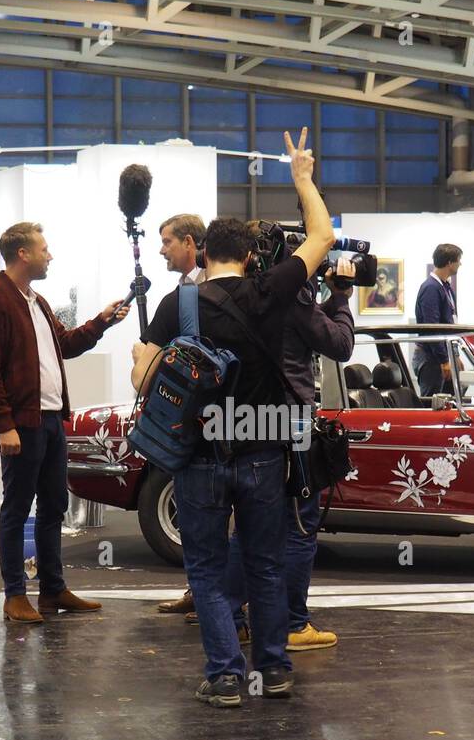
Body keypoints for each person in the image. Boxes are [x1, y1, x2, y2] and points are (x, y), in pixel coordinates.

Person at [131, 127, 334, 708]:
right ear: (248, 256)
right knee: (266, 563)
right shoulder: (272, 291)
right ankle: (273, 670)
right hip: (265, 450)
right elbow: (321, 234)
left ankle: (223, 675)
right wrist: (300, 176)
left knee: (205, 566)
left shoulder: (178, 304)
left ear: (203, 252)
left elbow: (144, 378)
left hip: (198, 454)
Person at [0, 221, 131, 625]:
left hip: (53, 420)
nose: (50, 255)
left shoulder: (36, 301)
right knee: (17, 508)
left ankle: (53, 589)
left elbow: (67, 343)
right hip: (21, 423)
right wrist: (3, 424)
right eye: (44, 249)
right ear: (23, 254)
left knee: (54, 504)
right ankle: (14, 594)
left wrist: (102, 321)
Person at [221, 255, 356, 653]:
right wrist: (342, 297)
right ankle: (293, 624)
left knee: (249, 524)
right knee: (300, 523)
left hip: (245, 419)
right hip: (291, 419)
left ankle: (232, 619)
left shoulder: (241, 296)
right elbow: (341, 345)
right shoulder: (293, 299)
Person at [154, 212, 207, 618]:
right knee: (192, 510)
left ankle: (220, 599)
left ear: (189, 242)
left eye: (168, 242)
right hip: (187, 416)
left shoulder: (210, 292)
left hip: (218, 418)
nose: (161, 250)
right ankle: (199, 590)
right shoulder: (180, 292)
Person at [411, 244, 462, 397]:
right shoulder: (431, 288)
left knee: (450, 402)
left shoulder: (445, 287)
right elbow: (432, 328)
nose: (460, 264)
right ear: (449, 262)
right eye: (459, 260)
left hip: (442, 355)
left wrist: (455, 355)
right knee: (432, 404)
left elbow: (449, 324)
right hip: (431, 358)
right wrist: (444, 360)